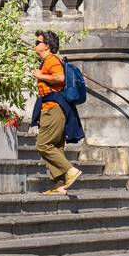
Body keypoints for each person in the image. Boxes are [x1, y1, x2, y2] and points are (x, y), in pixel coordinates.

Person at [31, 30, 83, 195]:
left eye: (38, 42)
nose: (35, 44)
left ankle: (70, 170)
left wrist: (41, 75)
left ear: (46, 45)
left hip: (52, 108)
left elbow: (60, 78)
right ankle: (60, 185)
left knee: (43, 145)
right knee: (56, 147)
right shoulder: (49, 60)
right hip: (56, 108)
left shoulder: (51, 59)